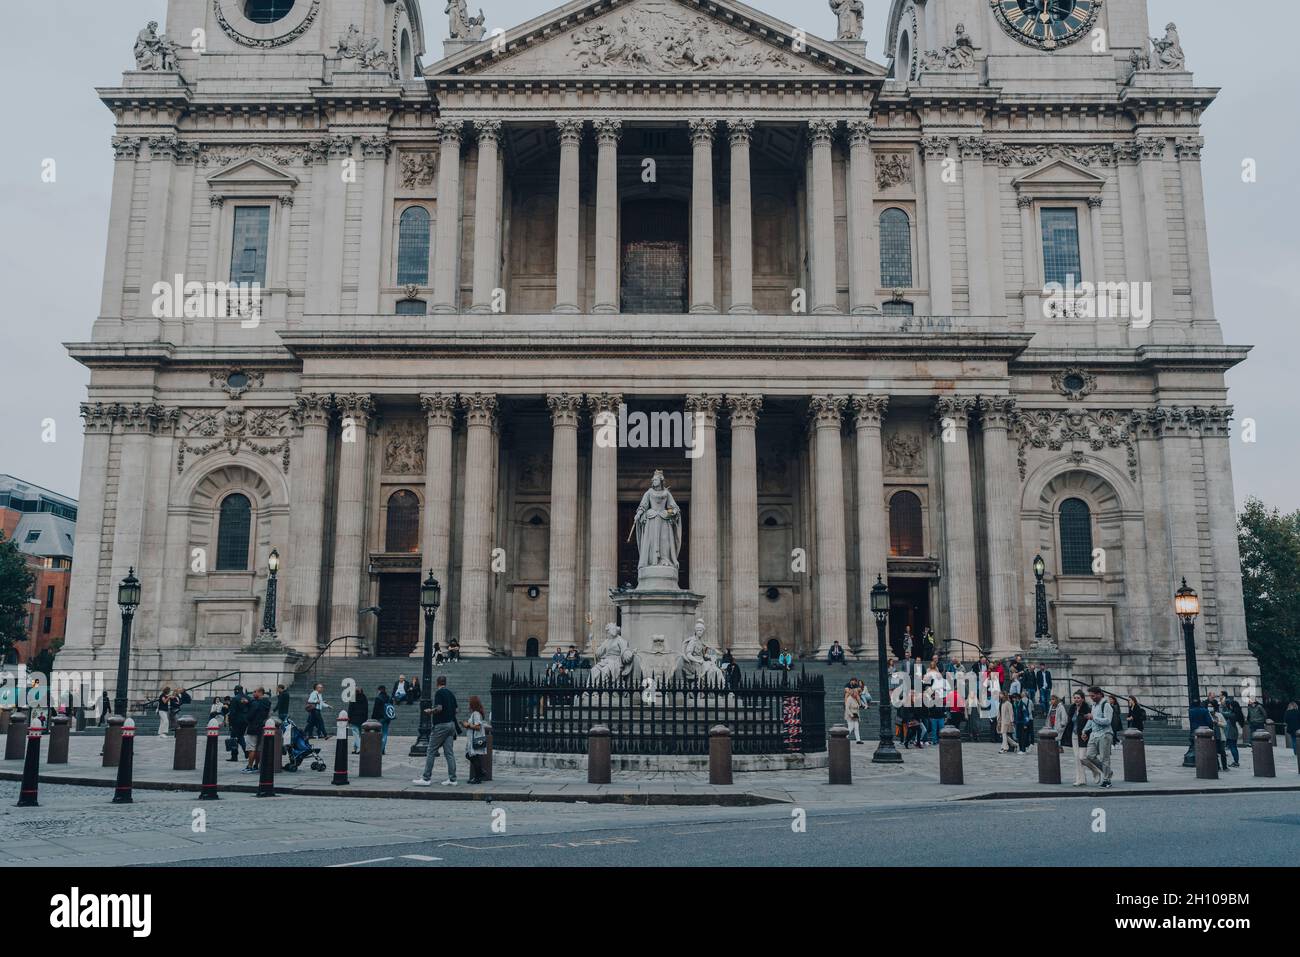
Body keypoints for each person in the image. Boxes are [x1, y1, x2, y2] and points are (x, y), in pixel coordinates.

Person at [413, 675, 459, 786]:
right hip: (451, 725)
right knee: (449, 753)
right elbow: (456, 710)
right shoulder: (450, 693)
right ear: (445, 682)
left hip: (441, 725)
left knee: (431, 750)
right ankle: (452, 779)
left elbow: (439, 708)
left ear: (437, 683)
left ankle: (426, 778)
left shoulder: (439, 693)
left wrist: (430, 711)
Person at [1080, 686, 1114, 787]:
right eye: (1090, 696)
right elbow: (1091, 720)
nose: (1091, 698)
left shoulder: (1106, 705)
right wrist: (1084, 730)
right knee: (1090, 756)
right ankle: (1107, 771)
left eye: (1093, 696)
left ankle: (1107, 780)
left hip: (1105, 734)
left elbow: (1108, 721)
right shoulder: (1094, 705)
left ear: (1099, 694)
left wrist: (1093, 718)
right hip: (1094, 734)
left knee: (1104, 758)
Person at [1063, 691, 1091, 786]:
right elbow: (1070, 722)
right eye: (1075, 698)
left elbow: (1090, 723)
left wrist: (1086, 732)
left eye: (1078, 698)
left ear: (1082, 699)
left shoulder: (1086, 708)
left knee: (1082, 757)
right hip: (1074, 735)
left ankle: (1095, 770)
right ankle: (1080, 779)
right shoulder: (1072, 708)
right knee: (1076, 758)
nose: (1076, 699)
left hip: (1083, 736)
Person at [243, 687, 271, 773]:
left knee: (252, 748)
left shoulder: (255, 704)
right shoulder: (266, 702)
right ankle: (256, 765)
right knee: (258, 748)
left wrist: (247, 719)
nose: (253, 693)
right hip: (261, 727)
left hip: (253, 727)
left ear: (260, 693)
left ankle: (249, 766)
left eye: (255, 692)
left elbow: (250, 715)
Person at [463, 695, 488, 783]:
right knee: (474, 756)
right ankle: (479, 774)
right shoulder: (476, 713)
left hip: (475, 738)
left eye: (470, 703)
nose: (468, 704)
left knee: (472, 756)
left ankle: (479, 775)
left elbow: (477, 727)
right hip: (475, 737)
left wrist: (467, 725)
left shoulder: (476, 714)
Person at [372, 685, 393, 754]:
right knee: (385, 733)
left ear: (379, 690)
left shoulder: (378, 698)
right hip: (387, 718)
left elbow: (375, 709)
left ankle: (380, 749)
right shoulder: (389, 698)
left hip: (380, 718)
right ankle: (382, 749)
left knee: (378, 733)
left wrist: (373, 718)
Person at [347, 686, 369, 754]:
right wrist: (366, 718)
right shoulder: (364, 697)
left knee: (355, 733)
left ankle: (359, 748)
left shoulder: (353, 697)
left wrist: (349, 718)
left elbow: (350, 709)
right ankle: (355, 748)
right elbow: (366, 709)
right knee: (358, 734)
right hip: (362, 718)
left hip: (354, 718)